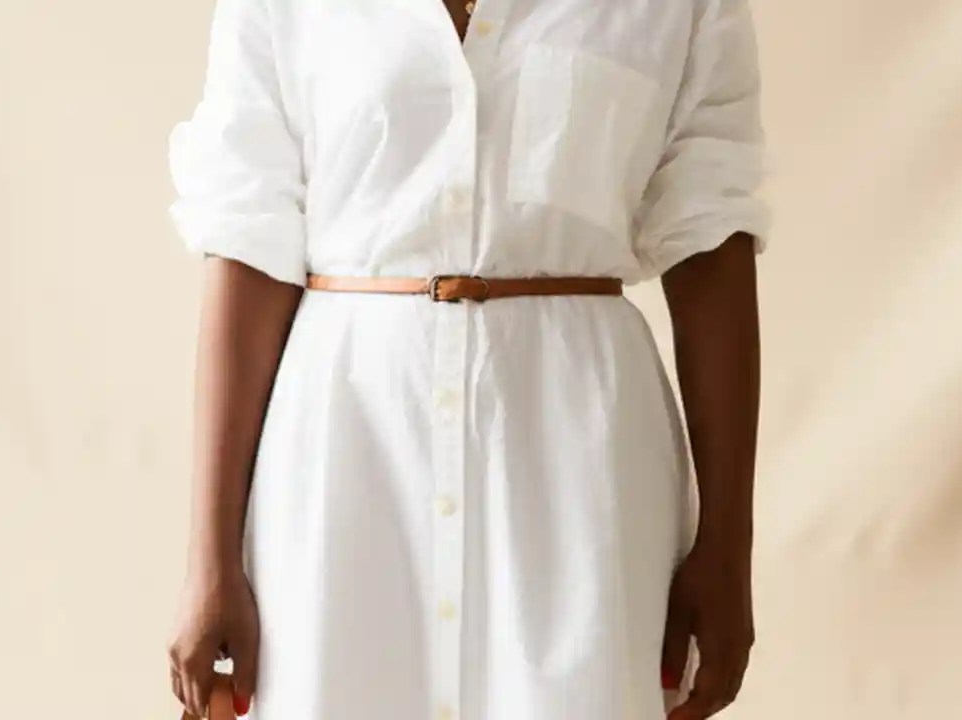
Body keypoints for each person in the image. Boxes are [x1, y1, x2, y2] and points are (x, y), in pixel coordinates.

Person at [164, 0, 769, 718]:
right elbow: (248, 248)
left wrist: (728, 549)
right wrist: (211, 561)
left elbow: (713, 245)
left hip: (579, 463)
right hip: (343, 460)